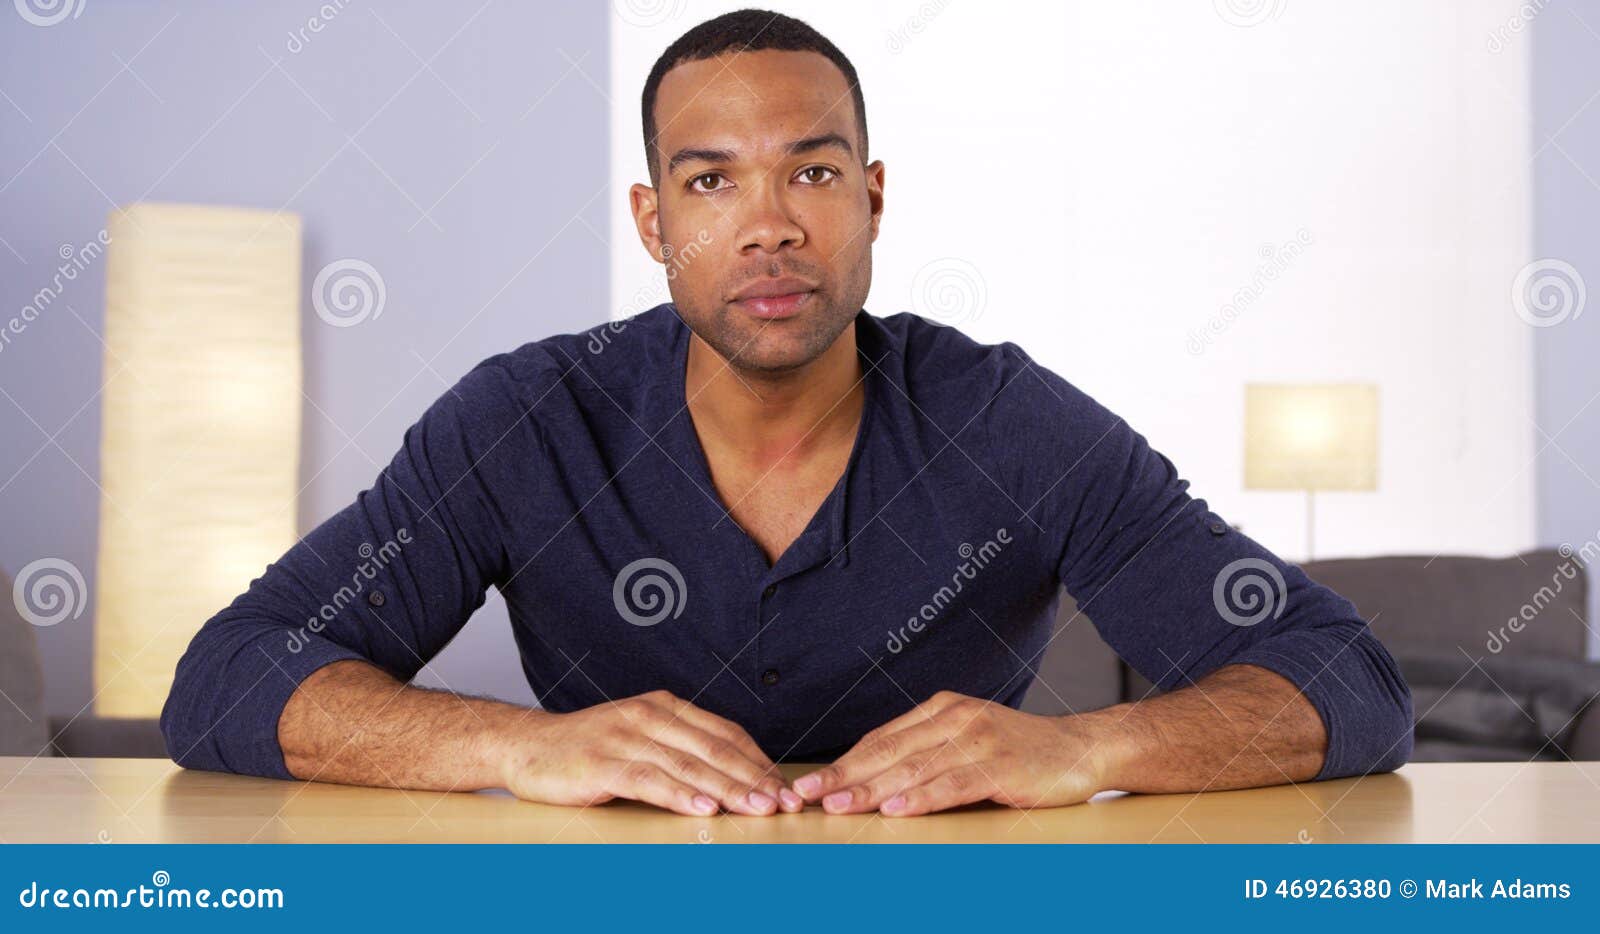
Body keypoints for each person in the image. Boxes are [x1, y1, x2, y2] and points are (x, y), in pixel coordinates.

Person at [161, 9, 1412, 818]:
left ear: (870, 200)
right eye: (711, 181)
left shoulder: (1011, 423)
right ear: (655, 224)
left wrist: (1083, 749)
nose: (769, 223)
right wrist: (514, 746)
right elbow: (228, 674)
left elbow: (1344, 677)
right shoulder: (526, 421)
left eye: (812, 172)